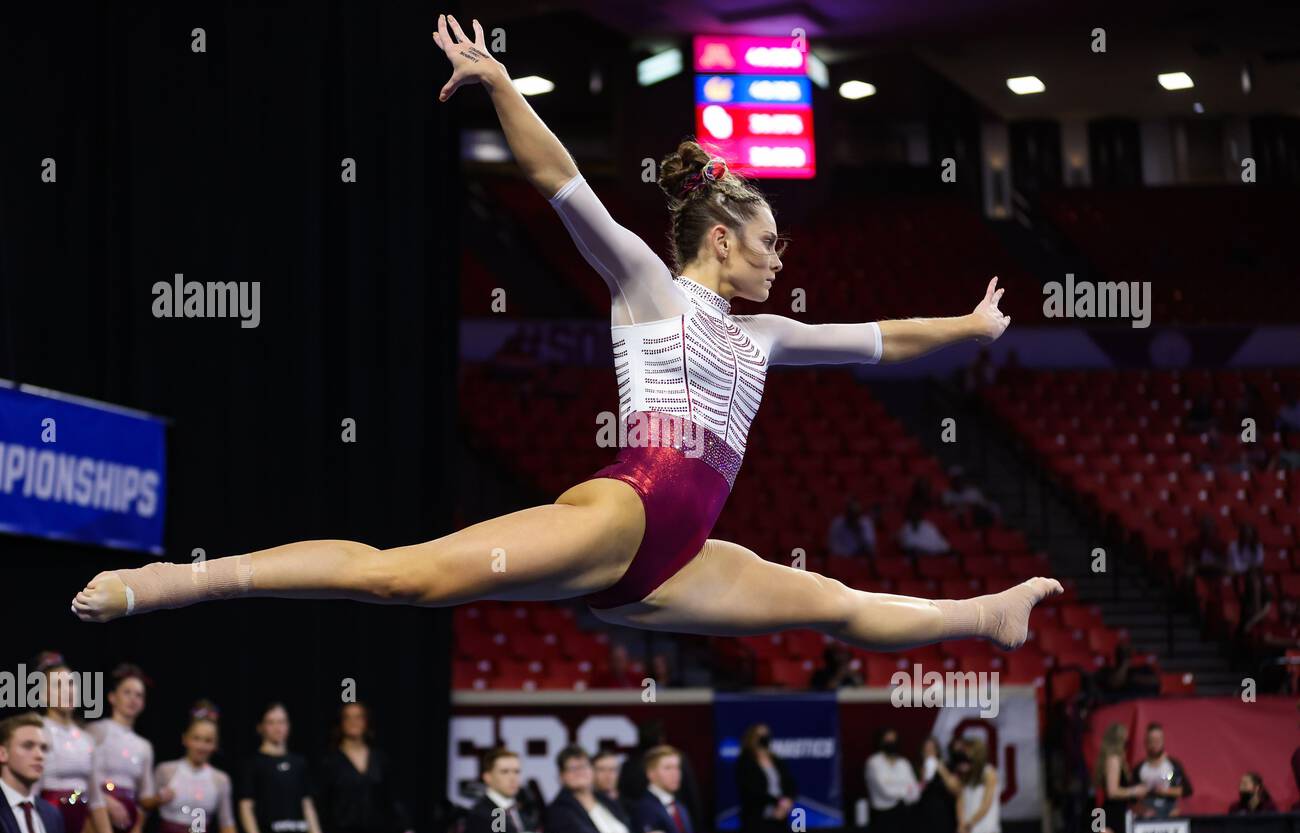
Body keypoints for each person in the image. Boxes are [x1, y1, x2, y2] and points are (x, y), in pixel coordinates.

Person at [71, 13, 1062, 673]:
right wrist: (501, 84)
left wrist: (969, 326)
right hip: (627, 510)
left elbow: (883, 340)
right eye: (767, 242)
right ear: (721, 238)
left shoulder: (765, 334)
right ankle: (178, 580)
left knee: (834, 604)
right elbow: (558, 183)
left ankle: (988, 612)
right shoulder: (646, 287)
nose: (777, 259)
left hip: (677, 556)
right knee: (401, 574)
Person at [35, 650, 107, 833]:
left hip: (78, 824)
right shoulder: (36, 730)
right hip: (43, 821)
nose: (67, 691)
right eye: (58, 685)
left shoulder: (86, 739)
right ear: (43, 694)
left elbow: (96, 798)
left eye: (71, 684)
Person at [150, 701, 239, 833]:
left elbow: (226, 823)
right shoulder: (166, 770)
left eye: (208, 740)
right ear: (185, 739)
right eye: (196, 738)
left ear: (215, 745)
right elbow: (145, 806)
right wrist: (157, 799)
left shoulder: (220, 779)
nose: (201, 746)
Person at [88, 664, 159, 833]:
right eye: (127, 692)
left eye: (139, 695)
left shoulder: (144, 746)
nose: (133, 699)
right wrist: (106, 802)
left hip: (130, 820)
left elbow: (145, 795)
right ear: (112, 697)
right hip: (99, 812)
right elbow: (85, 778)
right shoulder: (96, 731)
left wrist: (140, 817)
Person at [545, 746, 664, 833]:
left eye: (584, 766)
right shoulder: (559, 809)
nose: (580, 772)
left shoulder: (605, 800)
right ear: (561, 776)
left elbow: (628, 829)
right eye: (572, 768)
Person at [315, 703, 414, 833]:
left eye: (358, 717)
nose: (353, 722)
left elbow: (393, 798)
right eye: (348, 718)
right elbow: (321, 803)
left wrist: (406, 829)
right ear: (341, 723)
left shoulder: (380, 759)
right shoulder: (330, 762)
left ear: (366, 722)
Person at [238, 703, 323, 833]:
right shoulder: (253, 763)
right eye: (271, 722)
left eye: (282, 722)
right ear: (260, 727)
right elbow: (246, 805)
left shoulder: (299, 763)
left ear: (288, 725)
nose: (277, 728)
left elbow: (307, 804)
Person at [0, 714, 70, 833]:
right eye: (28, 746)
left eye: (43, 748)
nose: (39, 755)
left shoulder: (52, 814)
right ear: (3, 754)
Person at [462, 747, 540, 833]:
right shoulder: (483, 815)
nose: (513, 778)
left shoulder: (520, 813)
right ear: (487, 777)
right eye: (504, 771)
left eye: (516, 771)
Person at [1095, 722, 1149, 833]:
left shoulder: (1111, 759)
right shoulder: (1113, 759)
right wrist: (1134, 791)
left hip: (1114, 812)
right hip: (1114, 814)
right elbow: (1113, 791)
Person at [865, 727, 920, 833]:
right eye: (888, 738)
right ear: (881, 741)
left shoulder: (904, 763)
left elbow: (915, 791)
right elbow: (885, 791)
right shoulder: (874, 762)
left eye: (894, 739)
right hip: (882, 816)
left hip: (903, 814)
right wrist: (904, 790)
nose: (891, 742)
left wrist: (902, 790)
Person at [736, 724, 798, 833]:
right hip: (756, 818)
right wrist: (778, 802)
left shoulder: (776, 760)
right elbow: (751, 791)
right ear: (752, 738)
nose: (764, 738)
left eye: (766, 735)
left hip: (780, 816)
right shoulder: (745, 762)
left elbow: (790, 784)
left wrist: (786, 803)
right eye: (760, 735)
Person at [915, 737, 963, 833]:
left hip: (944, 816)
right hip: (923, 817)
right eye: (926, 748)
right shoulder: (918, 767)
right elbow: (914, 792)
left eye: (932, 748)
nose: (929, 751)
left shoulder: (946, 766)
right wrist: (923, 776)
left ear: (937, 751)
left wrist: (940, 768)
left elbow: (956, 789)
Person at [1132, 723, 1193, 819]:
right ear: (1146, 742)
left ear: (1163, 741)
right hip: (1147, 816)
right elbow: (1131, 798)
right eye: (1152, 741)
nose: (1155, 744)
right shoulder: (1139, 768)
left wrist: (1166, 791)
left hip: (1169, 813)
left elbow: (1186, 789)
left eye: (1158, 740)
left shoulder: (1172, 766)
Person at [955, 738, 1000, 833]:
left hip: (985, 831)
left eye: (967, 750)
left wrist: (969, 825)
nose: (964, 753)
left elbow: (986, 805)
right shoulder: (965, 774)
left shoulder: (989, 772)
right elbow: (960, 800)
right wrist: (961, 826)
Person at [632, 746, 694, 833]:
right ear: (651, 773)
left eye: (677, 767)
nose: (675, 773)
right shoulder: (644, 808)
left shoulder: (680, 807)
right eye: (668, 768)